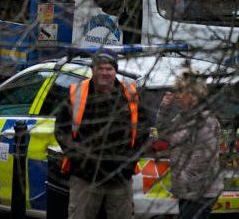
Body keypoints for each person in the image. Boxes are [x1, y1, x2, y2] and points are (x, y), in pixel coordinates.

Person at [55, 50, 140, 219]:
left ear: (115, 70)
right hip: (85, 177)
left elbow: (142, 131)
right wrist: (79, 161)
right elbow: (61, 130)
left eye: (109, 68)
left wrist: (128, 164)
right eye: (100, 68)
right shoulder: (76, 93)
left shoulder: (130, 93)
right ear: (92, 69)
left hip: (119, 176)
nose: (104, 73)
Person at [155, 74, 223, 219]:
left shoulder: (206, 121)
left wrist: (182, 180)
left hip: (200, 192)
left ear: (194, 95)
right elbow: (163, 133)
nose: (177, 96)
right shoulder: (182, 118)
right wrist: (164, 108)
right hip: (187, 190)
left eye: (181, 91)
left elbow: (202, 159)